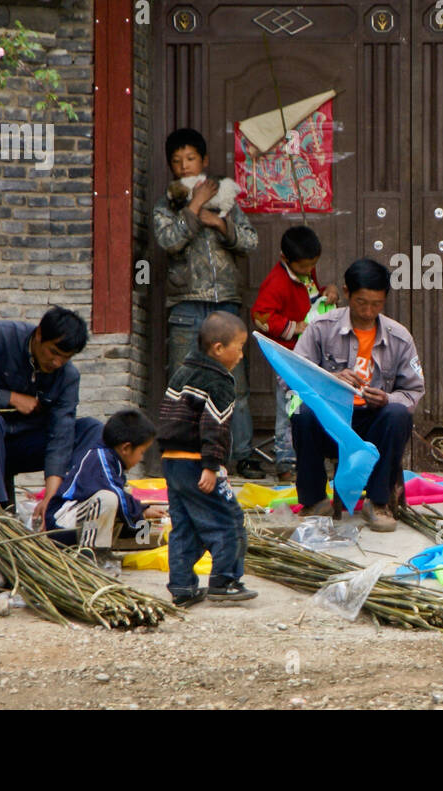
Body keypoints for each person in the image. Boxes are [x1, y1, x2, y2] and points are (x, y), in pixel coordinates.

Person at [153, 127, 264, 480]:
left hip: (225, 306)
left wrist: (219, 222)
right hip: (186, 306)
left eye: (190, 159)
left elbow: (250, 241)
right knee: (183, 380)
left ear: (204, 161)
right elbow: (168, 241)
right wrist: (194, 206)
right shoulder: (166, 204)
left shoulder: (227, 198)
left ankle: (242, 455)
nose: (184, 166)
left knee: (234, 383)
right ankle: (182, 454)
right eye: (177, 161)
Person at [290, 258, 424, 532]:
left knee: (398, 414)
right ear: (347, 292)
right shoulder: (321, 327)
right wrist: (331, 381)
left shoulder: (399, 337)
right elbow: (290, 374)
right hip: (333, 421)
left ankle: (378, 502)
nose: (368, 311)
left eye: (377, 304)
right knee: (304, 414)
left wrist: (388, 399)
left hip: (373, 423)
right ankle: (315, 500)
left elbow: (413, 390)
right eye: (362, 302)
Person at [0, 306, 104, 517]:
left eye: (65, 357)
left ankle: (65, 502)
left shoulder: (67, 376)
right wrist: (11, 398)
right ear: (38, 334)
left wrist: (50, 496)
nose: (57, 363)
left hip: (17, 448)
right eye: (53, 352)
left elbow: (60, 436)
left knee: (91, 428)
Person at [156, 311, 258, 607]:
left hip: (172, 463)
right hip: (198, 464)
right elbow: (214, 427)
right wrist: (211, 466)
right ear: (218, 348)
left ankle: (183, 587)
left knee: (184, 526)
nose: (240, 355)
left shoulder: (181, 372)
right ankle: (225, 581)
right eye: (238, 348)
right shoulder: (220, 381)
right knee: (229, 520)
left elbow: (167, 418)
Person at [251, 225, 339, 485]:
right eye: (303, 267)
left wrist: (327, 292)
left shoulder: (305, 270)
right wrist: (294, 327)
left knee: (314, 405)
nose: (308, 270)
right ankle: (286, 464)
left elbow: (310, 296)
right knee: (289, 408)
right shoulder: (276, 283)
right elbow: (261, 317)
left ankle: (317, 457)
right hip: (289, 357)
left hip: (310, 355)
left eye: (313, 265)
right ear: (284, 259)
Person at [44, 409, 168, 564]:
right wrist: (141, 510)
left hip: (77, 519)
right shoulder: (100, 458)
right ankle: (91, 553)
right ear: (126, 448)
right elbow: (115, 494)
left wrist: (141, 510)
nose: (141, 457)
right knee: (109, 498)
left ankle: (103, 552)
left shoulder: (112, 461)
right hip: (62, 523)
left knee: (119, 499)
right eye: (141, 452)